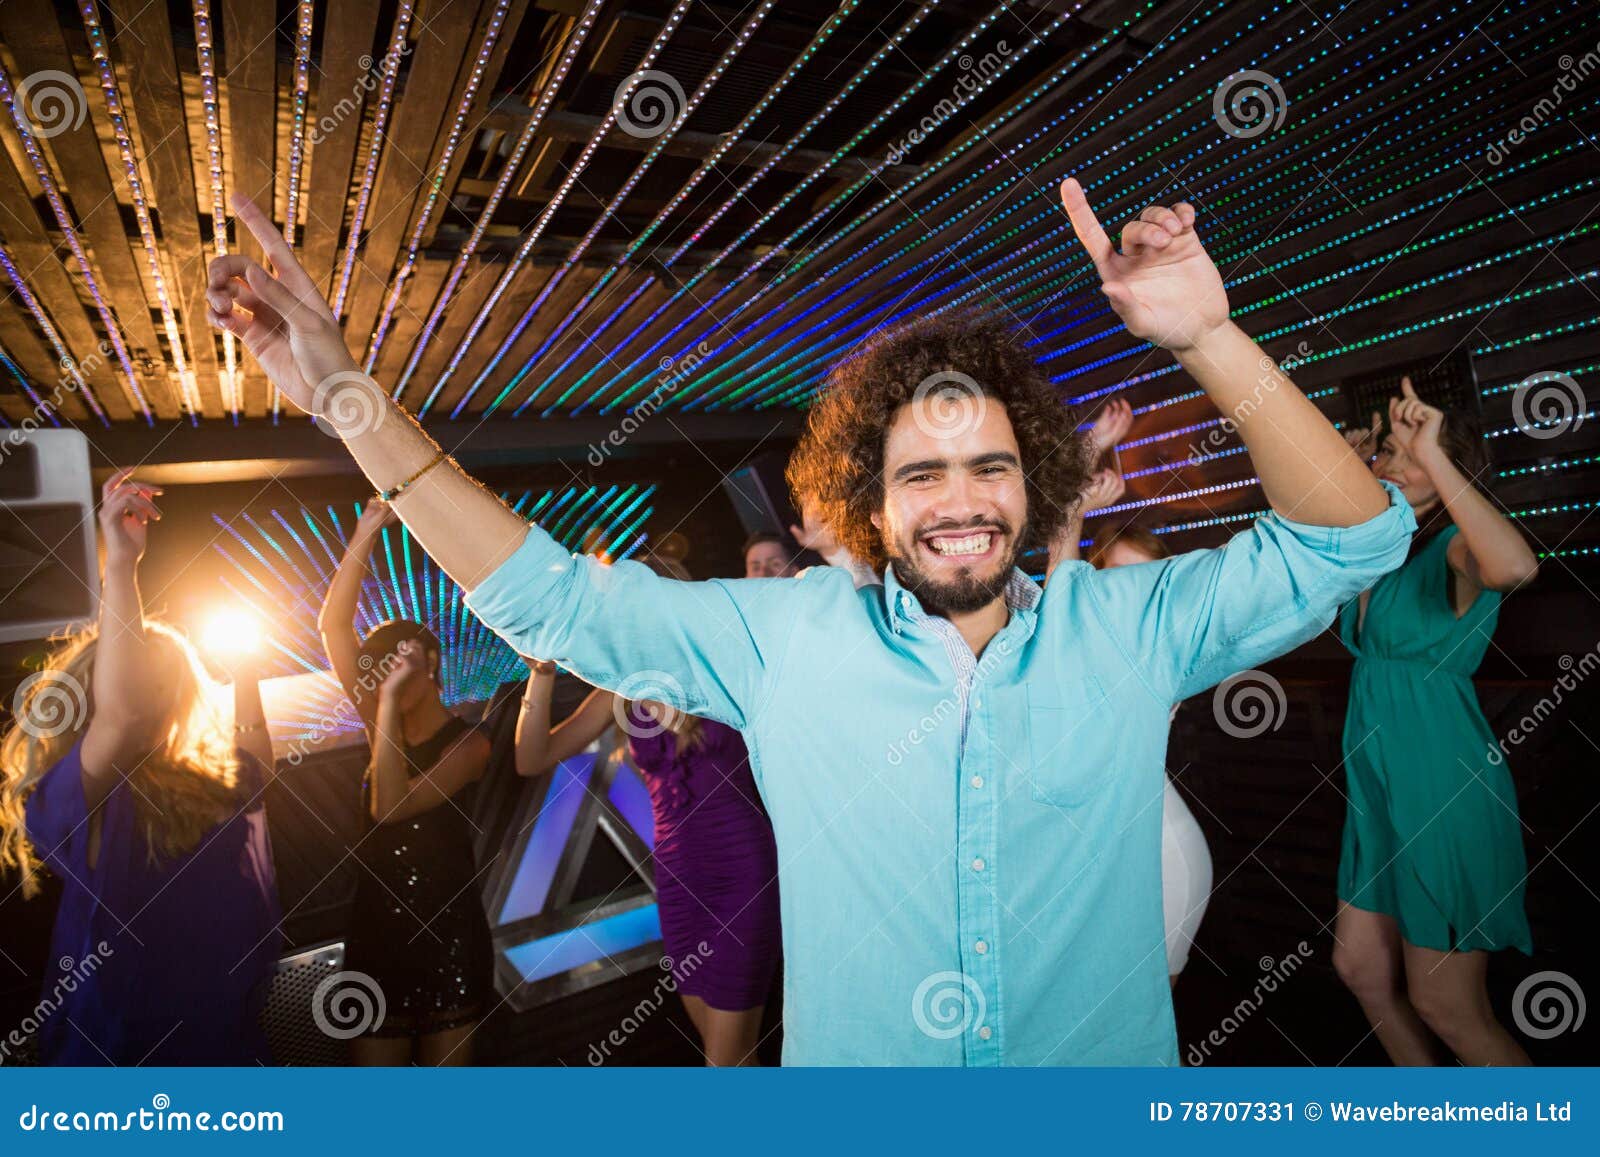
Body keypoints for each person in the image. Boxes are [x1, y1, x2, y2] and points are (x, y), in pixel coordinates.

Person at [206, 177, 1415, 1065]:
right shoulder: (783, 637)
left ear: (1033, 482)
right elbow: (550, 595)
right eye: (920, 474)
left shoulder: (1130, 624)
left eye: (989, 466)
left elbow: (1353, 538)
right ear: (871, 508)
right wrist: (348, 400)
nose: (960, 502)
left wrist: (1208, 338)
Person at [0, 470, 280, 1064]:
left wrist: (249, 665)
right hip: (121, 1059)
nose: (152, 687)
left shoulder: (213, 779)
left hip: (221, 1047)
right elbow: (122, 714)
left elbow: (259, 763)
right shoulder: (72, 796)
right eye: (139, 672)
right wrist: (121, 565)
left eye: (163, 675)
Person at [1330, 379, 1538, 1067]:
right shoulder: (1392, 551)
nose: (1387, 459)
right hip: (1379, 796)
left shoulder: (1452, 547)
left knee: (1447, 1004)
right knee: (1362, 969)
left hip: (1440, 793)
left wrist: (1435, 455)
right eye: (1387, 449)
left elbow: (1515, 566)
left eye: (1400, 450)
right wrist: (1354, 481)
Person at [514, 556, 781, 1066]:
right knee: (719, 1049)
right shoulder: (621, 684)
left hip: (740, 870)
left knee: (727, 1059)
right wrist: (542, 674)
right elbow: (532, 758)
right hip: (678, 878)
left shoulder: (724, 657)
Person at [318, 498, 494, 1065]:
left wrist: (387, 705)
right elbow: (333, 626)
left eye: (402, 661)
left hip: (449, 936)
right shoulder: (379, 723)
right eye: (381, 665)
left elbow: (390, 808)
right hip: (376, 933)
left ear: (434, 664)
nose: (388, 674)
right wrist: (367, 529)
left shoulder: (470, 743)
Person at [1046, 399, 1214, 991]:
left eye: (1142, 581)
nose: (1127, 593)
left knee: (1141, 1037)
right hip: (1090, 856)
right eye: (1113, 576)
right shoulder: (1068, 638)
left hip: (1158, 854)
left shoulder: (1160, 651)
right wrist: (1089, 453)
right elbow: (1059, 584)